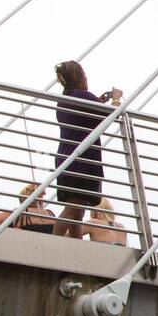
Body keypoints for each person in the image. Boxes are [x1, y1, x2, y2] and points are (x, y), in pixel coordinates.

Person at [51, 61, 122, 239]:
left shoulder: (65, 100)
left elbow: (84, 117)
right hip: (82, 162)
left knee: (78, 212)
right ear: (80, 77)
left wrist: (98, 101)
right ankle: (50, 245)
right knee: (73, 209)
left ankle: (77, 247)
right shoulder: (83, 97)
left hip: (67, 158)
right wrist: (115, 98)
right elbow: (110, 115)